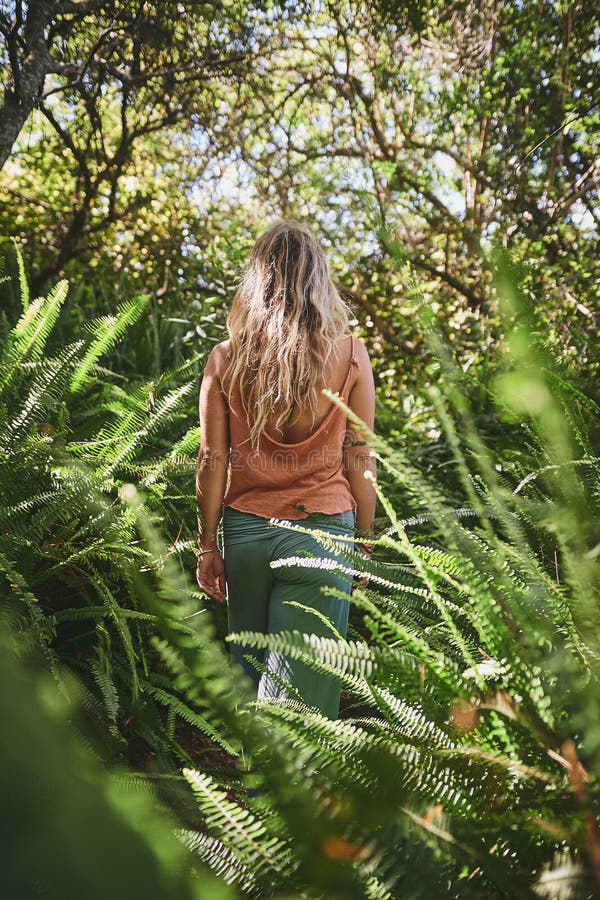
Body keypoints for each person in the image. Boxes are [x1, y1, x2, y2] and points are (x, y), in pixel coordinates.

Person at [195, 220, 376, 719]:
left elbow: (212, 462)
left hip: (247, 535)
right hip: (321, 538)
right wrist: (364, 539)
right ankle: (294, 797)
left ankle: (261, 796)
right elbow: (361, 459)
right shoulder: (351, 355)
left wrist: (207, 544)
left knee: (253, 684)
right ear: (318, 279)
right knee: (300, 702)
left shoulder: (225, 360)